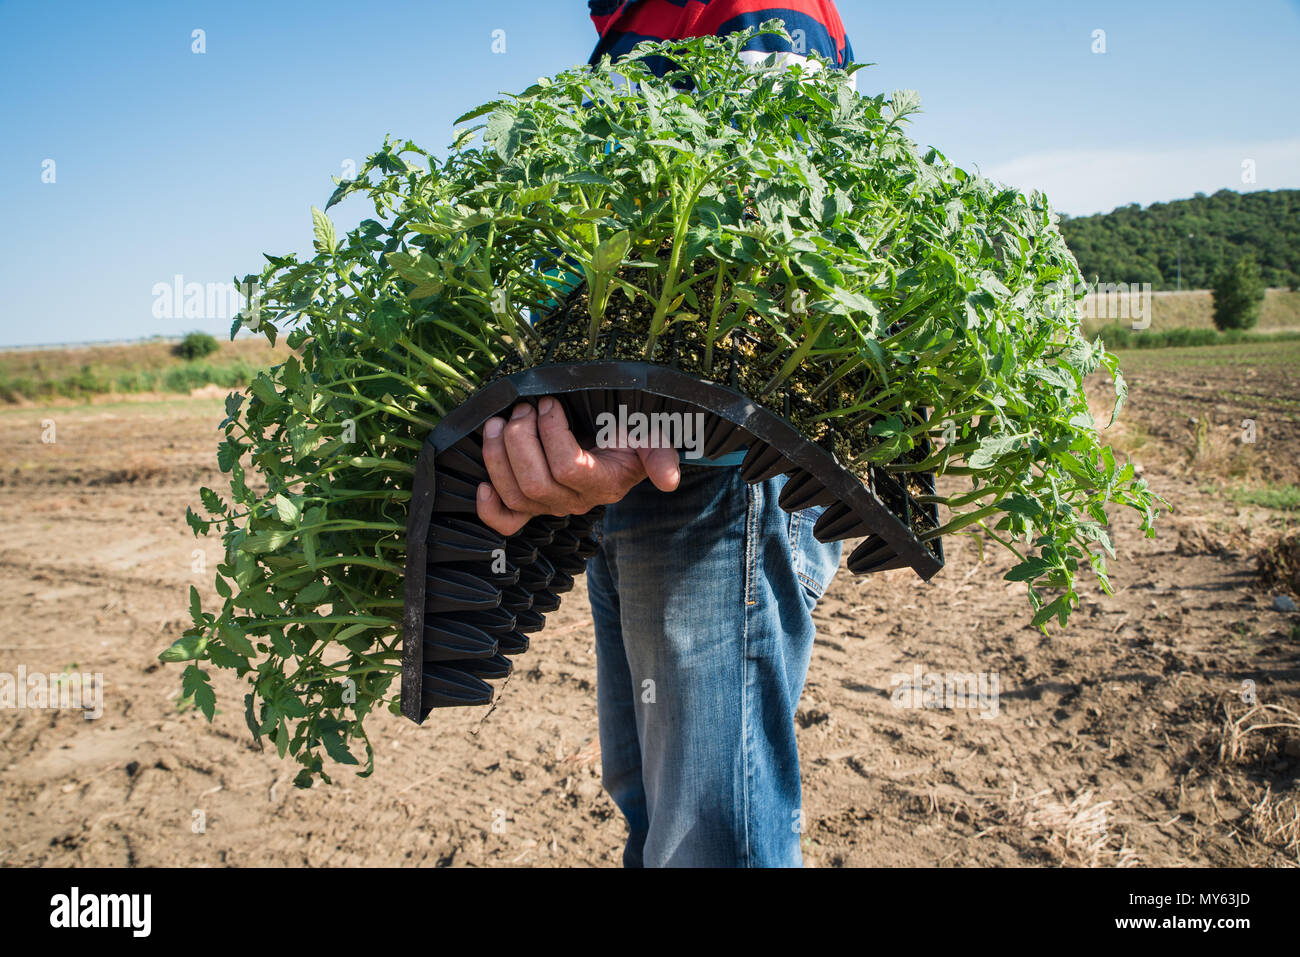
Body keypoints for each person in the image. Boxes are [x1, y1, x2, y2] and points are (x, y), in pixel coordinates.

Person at [474, 0, 854, 867]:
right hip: (636, 479)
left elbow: (765, 250)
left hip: (713, 475)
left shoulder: (746, 6)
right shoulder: (633, 24)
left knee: (706, 834)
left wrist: (623, 425)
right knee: (658, 814)